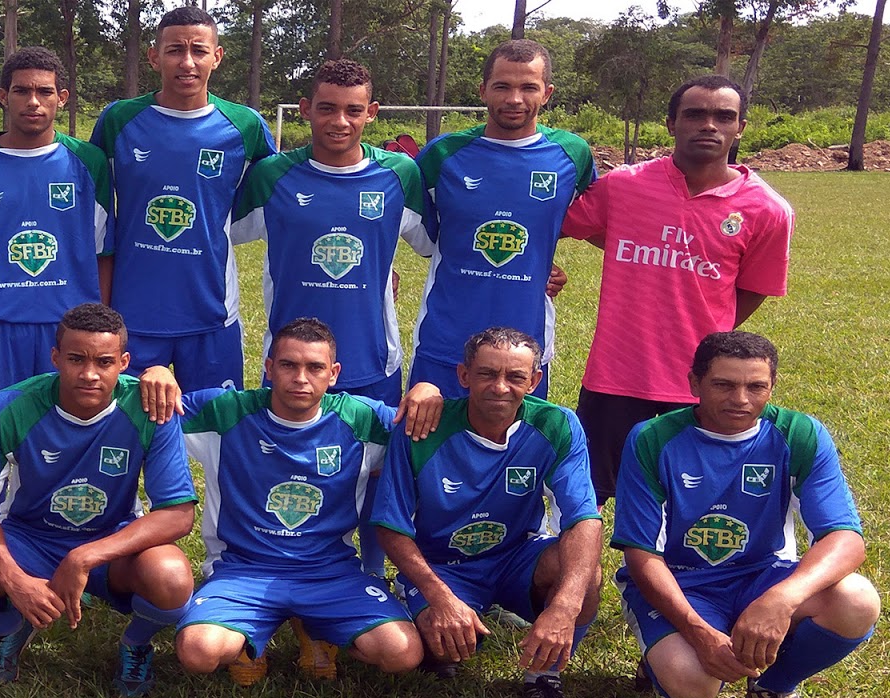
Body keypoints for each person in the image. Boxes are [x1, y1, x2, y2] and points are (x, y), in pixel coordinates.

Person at [0, 302, 196, 698]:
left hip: (111, 542)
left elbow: (177, 515)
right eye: (76, 359)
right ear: (55, 357)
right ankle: (8, 622)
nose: (89, 374)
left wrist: (84, 557)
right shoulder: (10, 406)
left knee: (172, 579)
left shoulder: (148, 407)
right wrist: (14, 580)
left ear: (124, 362)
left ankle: (136, 642)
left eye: (104, 362)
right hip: (29, 539)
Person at [613, 331, 878, 698]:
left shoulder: (800, 435)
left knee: (857, 600)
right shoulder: (653, 438)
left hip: (762, 575)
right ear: (694, 383)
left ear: (772, 387)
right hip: (684, 583)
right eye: (724, 384)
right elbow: (641, 553)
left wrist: (780, 600)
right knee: (692, 684)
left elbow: (845, 537)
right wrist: (698, 632)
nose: (741, 399)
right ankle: (659, 656)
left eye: (756, 386)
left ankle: (772, 690)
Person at [150, 318, 423, 685]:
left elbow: (434, 427)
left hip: (330, 571)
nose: (300, 378)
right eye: (288, 365)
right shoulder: (225, 412)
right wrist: (153, 374)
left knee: (402, 654)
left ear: (334, 373)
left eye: (315, 368)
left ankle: (319, 628)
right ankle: (250, 643)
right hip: (243, 568)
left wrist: (426, 388)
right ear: (268, 367)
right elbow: (150, 409)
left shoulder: (362, 419)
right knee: (198, 652)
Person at [561, 74, 794, 504]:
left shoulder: (767, 209)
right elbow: (550, 224)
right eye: (695, 114)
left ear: (740, 126)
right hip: (615, 374)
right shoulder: (624, 186)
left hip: (699, 381)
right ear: (671, 123)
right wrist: (541, 271)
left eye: (724, 116)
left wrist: (705, 329)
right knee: (583, 499)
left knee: (693, 500)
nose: (709, 125)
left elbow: (754, 287)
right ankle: (579, 572)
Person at [373, 325, 603, 698]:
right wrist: (440, 598)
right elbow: (391, 527)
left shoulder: (557, 424)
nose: (500, 387)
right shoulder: (425, 427)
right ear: (463, 376)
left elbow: (584, 518)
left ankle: (544, 680)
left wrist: (564, 607)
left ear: (534, 381)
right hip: (445, 566)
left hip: (517, 557)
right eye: (487, 374)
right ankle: (440, 628)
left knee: (584, 577)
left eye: (515, 377)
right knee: (438, 648)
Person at [91, 6, 274, 389]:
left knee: (214, 436)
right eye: (175, 50)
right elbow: (94, 210)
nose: (187, 62)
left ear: (217, 57)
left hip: (211, 313)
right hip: (132, 313)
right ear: (154, 57)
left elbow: (285, 197)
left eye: (199, 50)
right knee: (130, 435)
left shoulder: (245, 126)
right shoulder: (118, 120)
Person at [231, 59, 430, 412]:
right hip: (291, 365)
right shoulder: (272, 176)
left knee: (372, 467)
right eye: (327, 109)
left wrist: (538, 265)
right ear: (306, 109)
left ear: (371, 113)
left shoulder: (400, 175)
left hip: (373, 361)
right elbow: (212, 234)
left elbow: (440, 245)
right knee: (286, 461)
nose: (340, 121)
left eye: (353, 110)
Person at [406, 39, 594, 399]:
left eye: (529, 87)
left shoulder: (572, 155)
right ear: (483, 90)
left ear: (548, 93)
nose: (514, 99)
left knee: (516, 451)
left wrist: (541, 258)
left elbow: (591, 218)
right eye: (503, 86)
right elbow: (406, 222)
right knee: (429, 445)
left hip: (527, 344)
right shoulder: (443, 154)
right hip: (445, 340)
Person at [0, 48, 113, 417]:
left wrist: (104, 335)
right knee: (0, 442)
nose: (33, 102)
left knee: (69, 436)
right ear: (4, 96)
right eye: (21, 91)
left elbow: (104, 254)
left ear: (62, 98)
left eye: (45, 91)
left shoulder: (88, 162)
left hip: (71, 328)